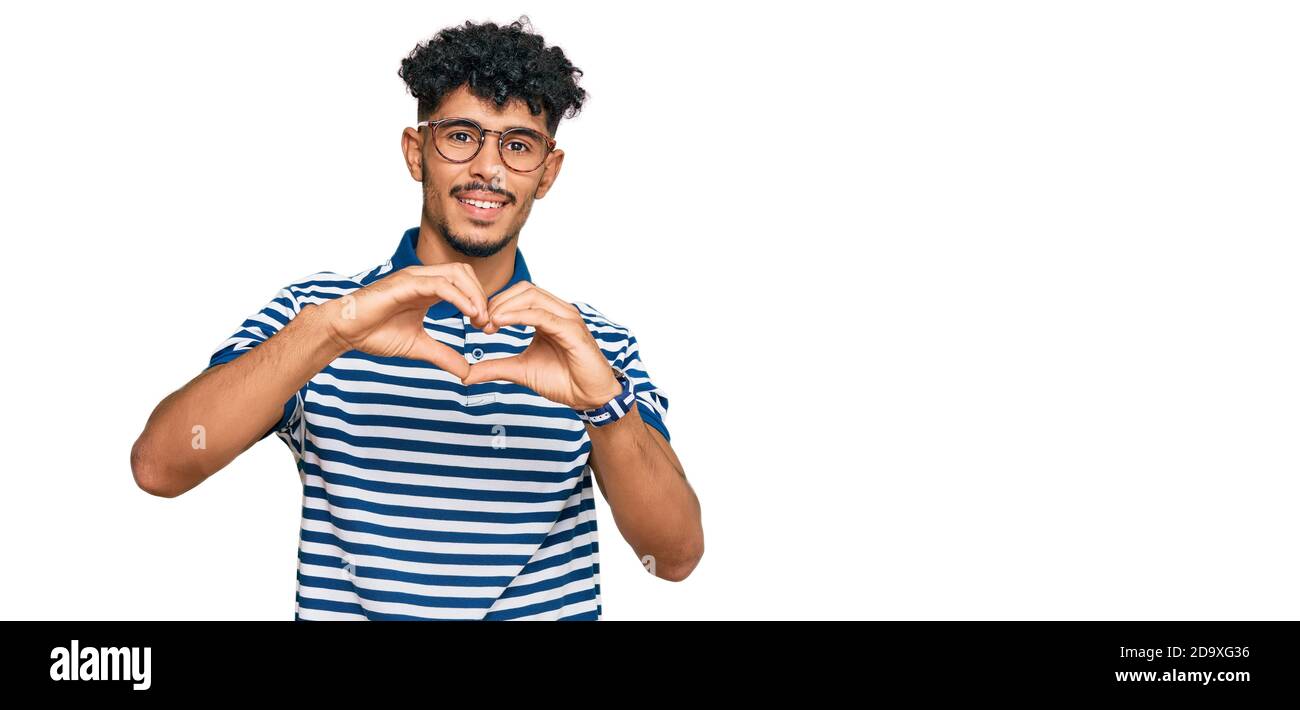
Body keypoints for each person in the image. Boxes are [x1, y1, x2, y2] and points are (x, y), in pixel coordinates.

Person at [129, 17, 704, 620]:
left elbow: (673, 558)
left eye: (518, 144)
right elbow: (160, 466)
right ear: (415, 152)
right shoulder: (316, 313)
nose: (489, 168)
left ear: (548, 171)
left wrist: (604, 406)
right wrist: (331, 331)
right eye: (461, 136)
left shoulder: (593, 344)